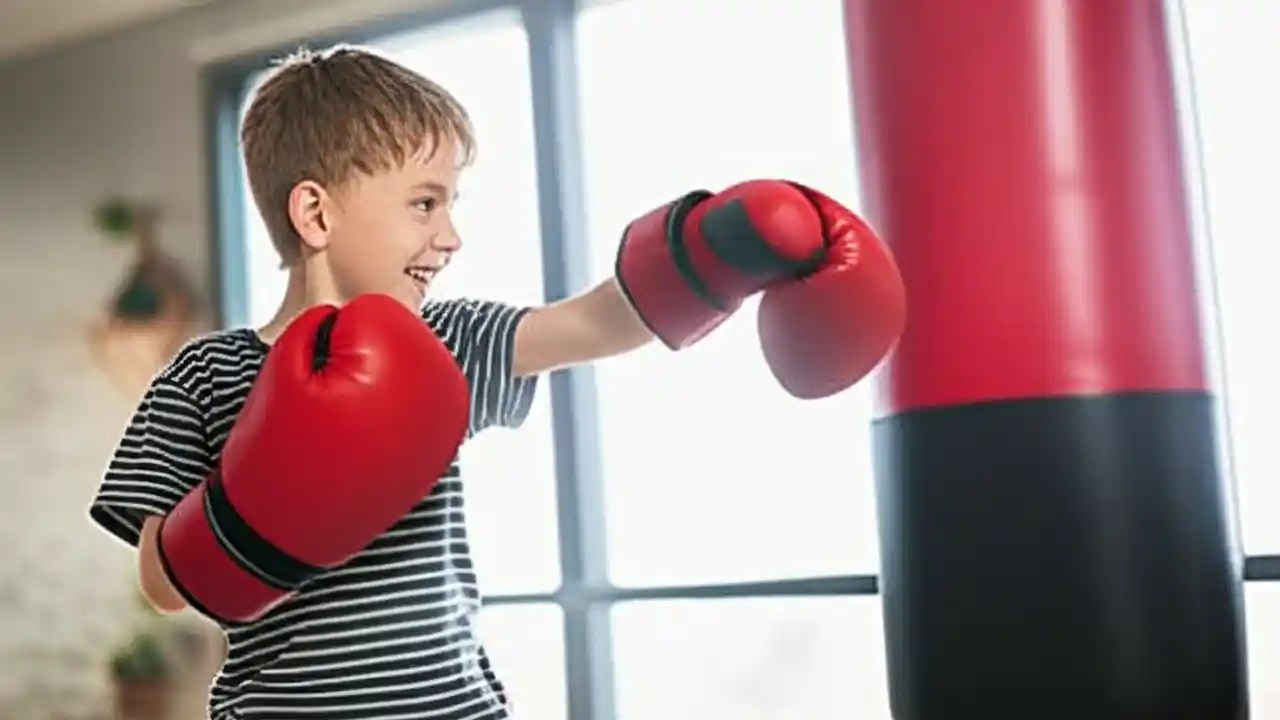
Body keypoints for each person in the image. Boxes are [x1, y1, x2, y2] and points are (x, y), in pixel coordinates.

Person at [87, 45, 905, 720]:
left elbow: (594, 323)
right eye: (424, 202)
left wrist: (723, 243)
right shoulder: (203, 376)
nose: (451, 235)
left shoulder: (441, 340)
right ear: (317, 215)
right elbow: (162, 584)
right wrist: (261, 505)